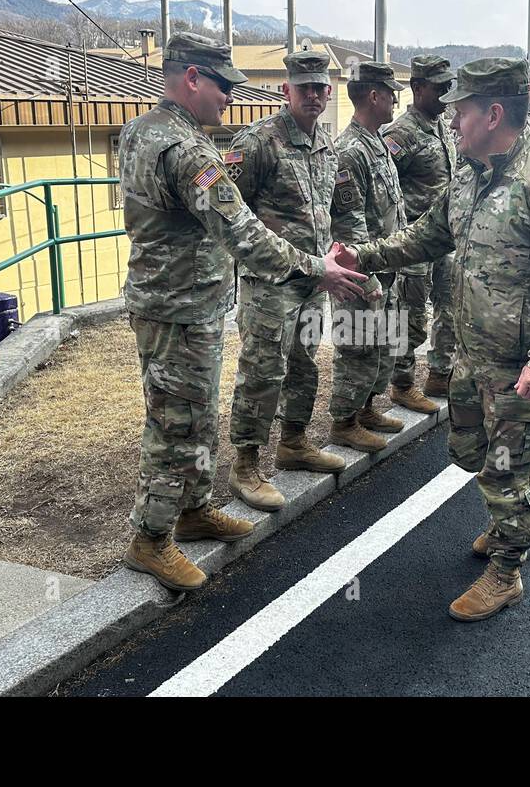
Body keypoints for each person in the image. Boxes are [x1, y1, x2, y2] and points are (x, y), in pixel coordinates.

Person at [351, 58, 530, 622]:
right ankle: (510, 518)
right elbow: (424, 237)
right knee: (473, 454)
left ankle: (508, 570)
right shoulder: (468, 178)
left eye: (459, 111)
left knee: (507, 469)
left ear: (493, 114)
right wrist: (362, 256)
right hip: (472, 359)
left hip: (520, 369)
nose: (450, 122)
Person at [118, 33, 366, 591]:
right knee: (174, 423)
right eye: (223, 85)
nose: (229, 96)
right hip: (177, 309)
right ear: (192, 79)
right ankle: (150, 539)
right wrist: (313, 266)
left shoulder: (141, 132)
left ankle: (195, 508)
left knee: (199, 413)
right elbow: (243, 232)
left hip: (181, 303)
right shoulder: (186, 151)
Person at [226, 49, 348, 512]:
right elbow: (233, 214)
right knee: (262, 370)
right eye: (305, 88)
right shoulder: (258, 142)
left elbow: (328, 210)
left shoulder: (326, 145)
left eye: (320, 88)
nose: (314, 95)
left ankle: (293, 442)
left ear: (328, 92)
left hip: (312, 278)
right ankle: (245, 465)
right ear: (286, 90)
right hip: (269, 282)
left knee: (304, 362)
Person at [328, 61, 406, 452]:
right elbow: (347, 222)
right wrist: (368, 277)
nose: (396, 98)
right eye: (390, 92)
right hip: (361, 272)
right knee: (357, 345)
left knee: (384, 343)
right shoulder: (349, 150)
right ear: (374, 96)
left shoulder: (379, 143)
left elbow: (395, 204)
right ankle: (344, 422)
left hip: (386, 267)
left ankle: (367, 408)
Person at [382, 55, 458, 402]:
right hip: (414, 240)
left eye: (448, 87)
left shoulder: (443, 126)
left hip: (446, 239)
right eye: (438, 87)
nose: (445, 94)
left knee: (450, 306)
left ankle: (440, 373)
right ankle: (402, 383)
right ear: (416, 88)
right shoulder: (400, 134)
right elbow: (383, 186)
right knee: (409, 315)